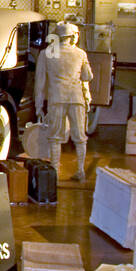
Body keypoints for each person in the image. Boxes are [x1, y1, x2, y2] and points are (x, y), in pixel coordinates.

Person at [34, 21, 93, 181]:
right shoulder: (80, 54)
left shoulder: (46, 53)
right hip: (76, 100)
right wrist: (87, 96)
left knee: (55, 137)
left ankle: (54, 171)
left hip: (56, 99)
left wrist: (38, 105)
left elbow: (39, 83)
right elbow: (87, 77)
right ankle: (80, 171)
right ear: (73, 36)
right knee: (80, 137)